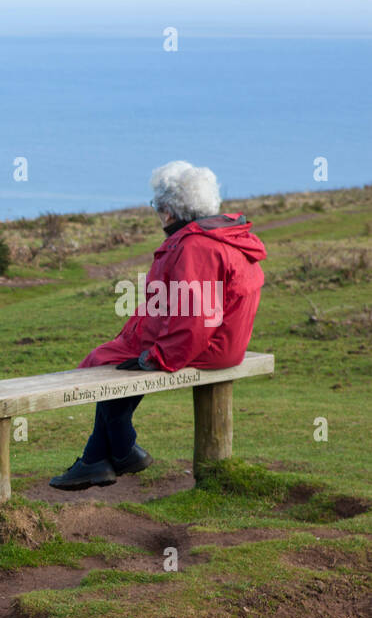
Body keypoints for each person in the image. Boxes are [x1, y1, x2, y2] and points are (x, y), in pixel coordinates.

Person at [50, 161, 267, 490]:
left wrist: (158, 356)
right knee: (114, 358)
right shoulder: (225, 237)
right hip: (224, 343)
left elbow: (194, 319)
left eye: (157, 207)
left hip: (203, 348)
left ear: (168, 211)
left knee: (107, 362)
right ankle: (103, 458)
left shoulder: (195, 247)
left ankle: (116, 453)